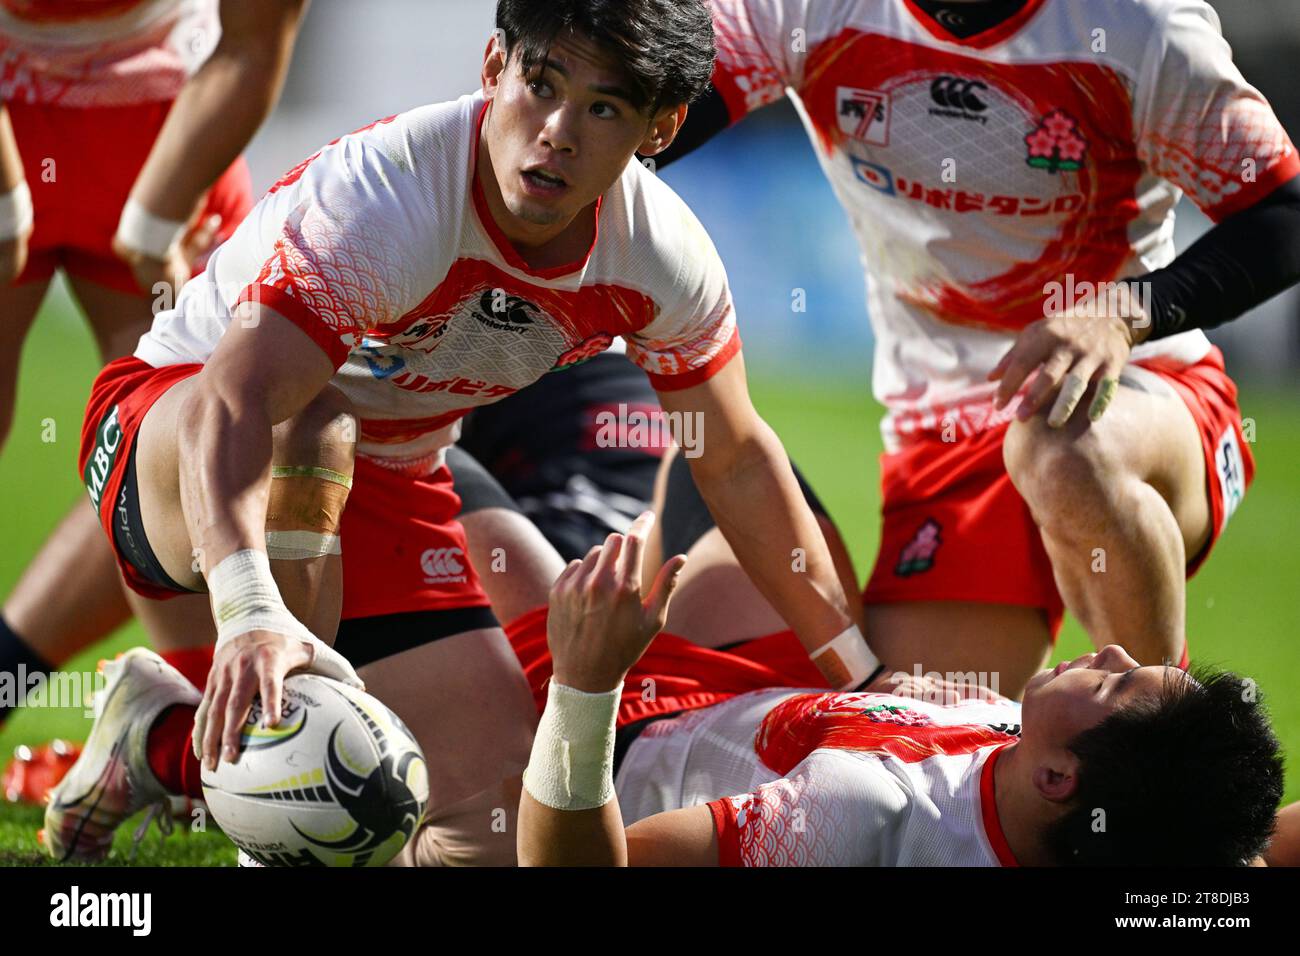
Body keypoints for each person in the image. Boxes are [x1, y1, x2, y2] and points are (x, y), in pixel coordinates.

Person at [43, 0, 891, 865]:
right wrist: (249, 610)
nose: (558, 132)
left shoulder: (661, 255)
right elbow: (241, 396)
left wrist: (859, 674)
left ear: (661, 128)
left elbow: (738, 458)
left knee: (493, 830)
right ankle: (272, 811)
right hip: (174, 431)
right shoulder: (390, 194)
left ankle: (156, 741)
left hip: (397, 472)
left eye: (604, 108)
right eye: (542, 84)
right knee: (319, 421)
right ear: (494, 68)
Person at [651, 0, 1300, 695]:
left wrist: (1125, 312)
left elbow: (1284, 214)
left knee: (1060, 449)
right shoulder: (804, 9)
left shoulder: (1140, 26)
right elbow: (645, 116)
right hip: (948, 431)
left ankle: (1164, 735)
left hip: (1135, 393)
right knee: (930, 748)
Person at [513, 510, 1286, 867]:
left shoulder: (857, 814)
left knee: (442, 504)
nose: (1112, 649)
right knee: (752, 494)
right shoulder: (1138, 844)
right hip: (757, 686)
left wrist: (585, 681)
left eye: (1117, 684)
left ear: (1059, 778)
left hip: (601, 749)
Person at [0, 0, 310, 728]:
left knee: (188, 439)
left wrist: (154, 225)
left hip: (169, 124)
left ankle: (196, 744)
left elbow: (257, 36)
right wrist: (8, 211)